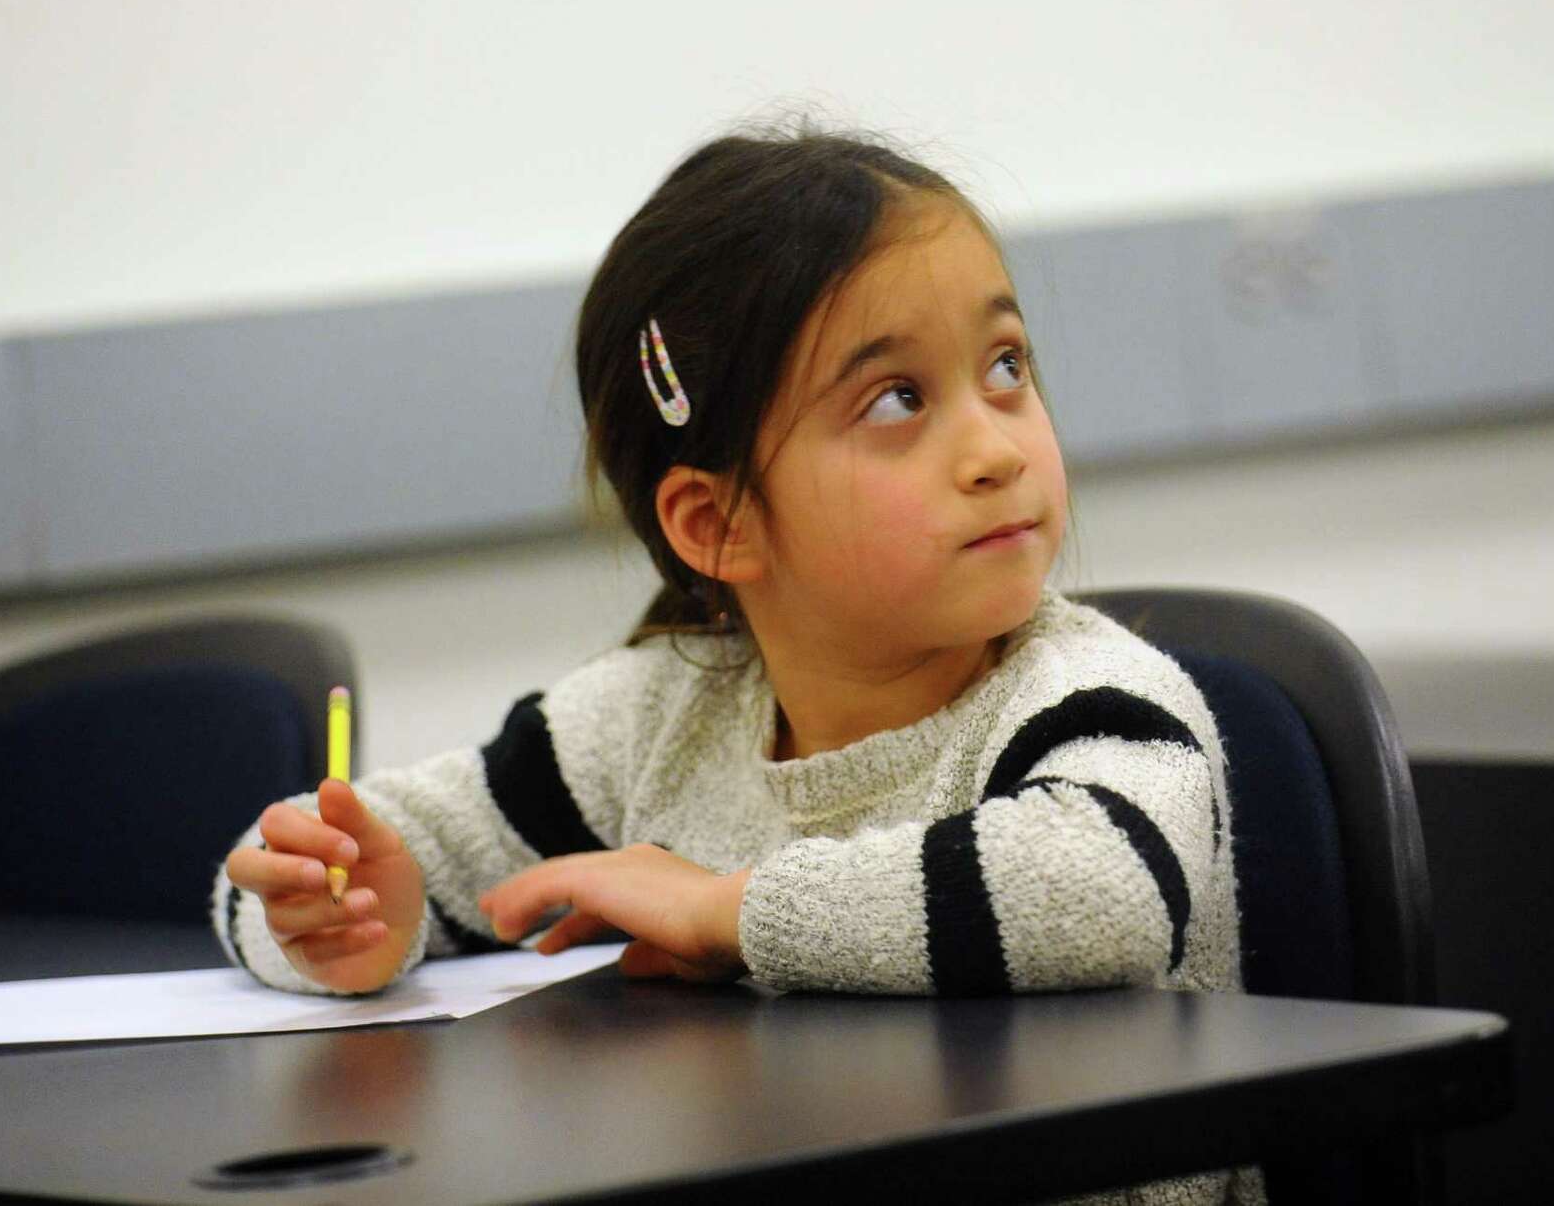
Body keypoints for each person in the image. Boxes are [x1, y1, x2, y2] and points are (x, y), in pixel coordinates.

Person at [214, 120, 1259, 1201]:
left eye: (1007, 366)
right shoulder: (647, 721)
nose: (999, 448)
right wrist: (342, 918)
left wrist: (724, 908)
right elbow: (313, 860)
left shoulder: (1093, 694)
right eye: (898, 398)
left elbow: (1102, 891)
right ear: (716, 524)